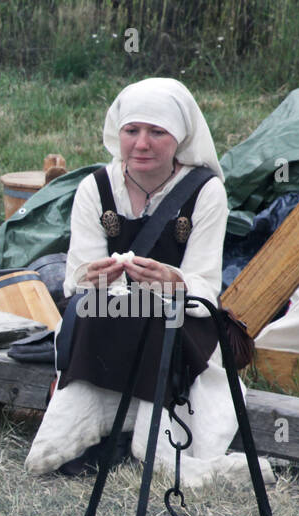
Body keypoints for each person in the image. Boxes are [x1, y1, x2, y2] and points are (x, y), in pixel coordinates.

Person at [25, 77, 268, 487]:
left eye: (157, 132)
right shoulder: (95, 189)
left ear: (179, 138)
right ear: (117, 134)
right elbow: (75, 281)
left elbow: (205, 286)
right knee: (90, 314)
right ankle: (92, 439)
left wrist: (172, 280)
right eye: (132, 131)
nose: (142, 143)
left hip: (181, 317)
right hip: (110, 312)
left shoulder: (205, 192)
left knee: (158, 324)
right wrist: (96, 279)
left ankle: (142, 441)